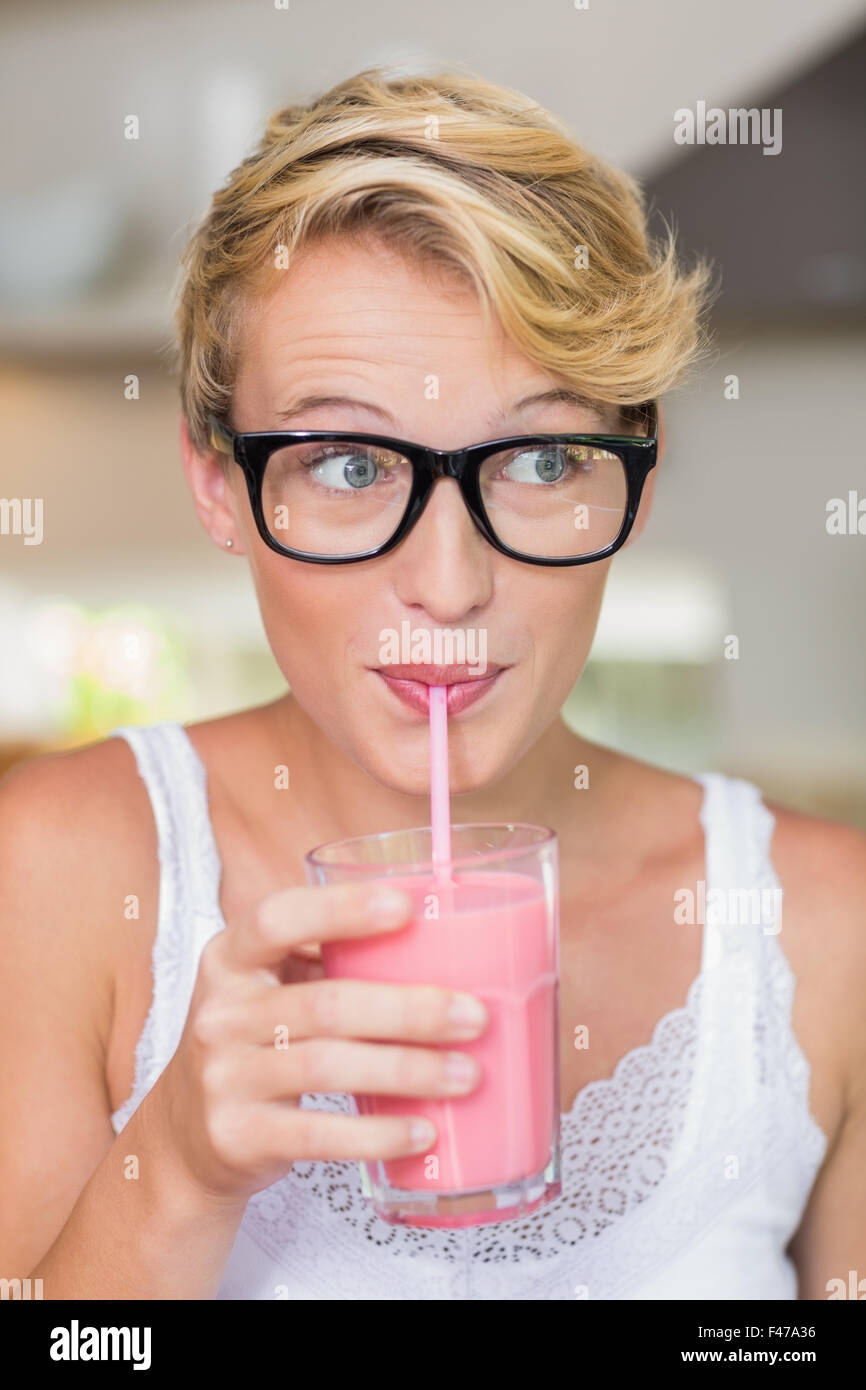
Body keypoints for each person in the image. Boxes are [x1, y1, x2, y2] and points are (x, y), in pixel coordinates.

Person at [1, 67, 863, 1301]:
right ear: (216, 482)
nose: (447, 584)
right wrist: (177, 1171)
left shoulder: (826, 931)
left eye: (541, 456)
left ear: (638, 474)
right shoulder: (64, 872)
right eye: (348, 461)